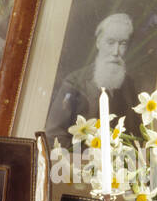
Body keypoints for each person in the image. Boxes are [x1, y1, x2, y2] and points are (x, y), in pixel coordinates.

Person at [46, 11, 142, 146]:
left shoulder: (129, 85)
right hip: (78, 162)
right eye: (110, 42)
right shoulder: (74, 82)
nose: (116, 52)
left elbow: (135, 135)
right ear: (98, 43)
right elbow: (53, 134)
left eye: (123, 43)